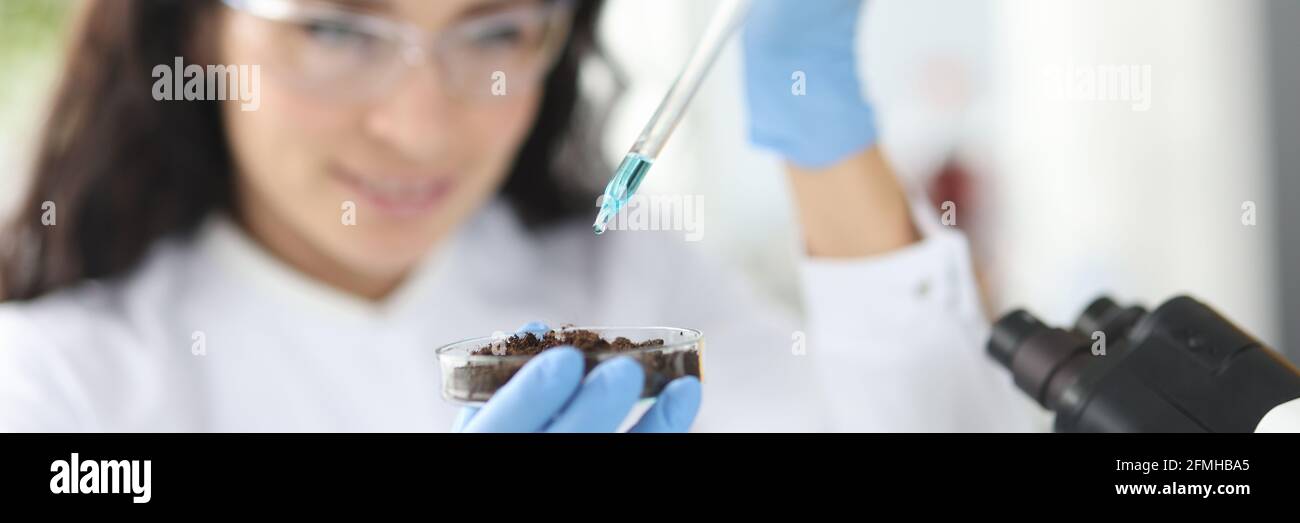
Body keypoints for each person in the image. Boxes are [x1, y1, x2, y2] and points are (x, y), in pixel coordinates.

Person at [0, 0, 1036, 432]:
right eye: (335, 28)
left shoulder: (630, 285)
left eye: (494, 30)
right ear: (194, 31)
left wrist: (815, 111)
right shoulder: (60, 386)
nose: (419, 125)